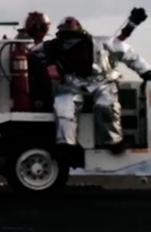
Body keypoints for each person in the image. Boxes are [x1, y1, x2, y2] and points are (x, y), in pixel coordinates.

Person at [39, 10, 149, 151]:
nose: (70, 42)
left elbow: (128, 53)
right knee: (63, 106)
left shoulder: (103, 43)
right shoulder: (52, 47)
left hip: (103, 82)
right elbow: (32, 51)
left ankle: (114, 141)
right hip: (72, 84)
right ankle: (66, 145)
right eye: (66, 37)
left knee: (105, 105)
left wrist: (146, 71)